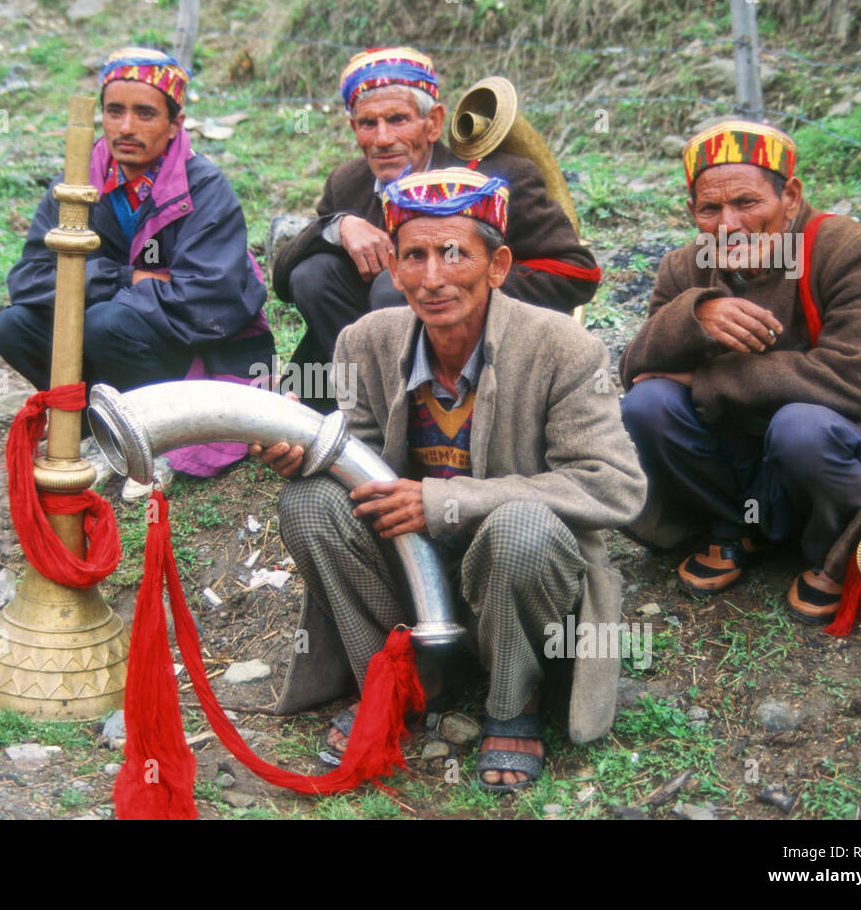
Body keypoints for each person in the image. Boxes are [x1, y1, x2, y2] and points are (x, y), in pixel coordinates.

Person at [253, 168, 646, 789]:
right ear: (394, 267)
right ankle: (403, 679)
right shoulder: (366, 340)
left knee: (520, 527)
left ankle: (512, 701)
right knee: (307, 503)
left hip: (522, 576)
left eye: (454, 253)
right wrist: (306, 454)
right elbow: (362, 451)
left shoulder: (563, 348)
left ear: (497, 264)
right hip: (417, 573)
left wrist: (445, 501)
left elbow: (613, 484)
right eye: (414, 255)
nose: (432, 278)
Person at [618, 120, 861, 629]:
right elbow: (634, 367)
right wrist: (695, 316)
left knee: (802, 427)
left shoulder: (847, 249)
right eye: (710, 208)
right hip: (741, 450)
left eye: (747, 202)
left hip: (834, 444)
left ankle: (828, 548)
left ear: (790, 194)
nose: (729, 224)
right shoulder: (684, 268)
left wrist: (708, 380)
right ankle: (736, 527)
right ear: (691, 209)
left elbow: (855, 382)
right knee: (647, 405)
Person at [0, 47, 275, 492]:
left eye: (145, 113)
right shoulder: (76, 183)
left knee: (107, 322)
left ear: (174, 123)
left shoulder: (205, 187)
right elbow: (28, 279)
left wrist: (102, 295)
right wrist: (124, 279)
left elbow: (208, 302)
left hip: (197, 351)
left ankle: (157, 437)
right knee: (13, 327)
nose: (126, 127)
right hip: (119, 326)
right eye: (114, 111)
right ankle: (97, 430)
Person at [272, 47, 600, 408]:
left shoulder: (496, 177)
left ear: (434, 123)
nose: (382, 139)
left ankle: (433, 410)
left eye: (398, 119)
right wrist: (338, 227)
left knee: (397, 286)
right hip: (376, 363)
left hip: (483, 356)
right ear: (354, 128)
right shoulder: (347, 183)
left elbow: (577, 274)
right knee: (314, 275)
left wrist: (466, 277)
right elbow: (287, 282)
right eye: (368, 123)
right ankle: (368, 402)